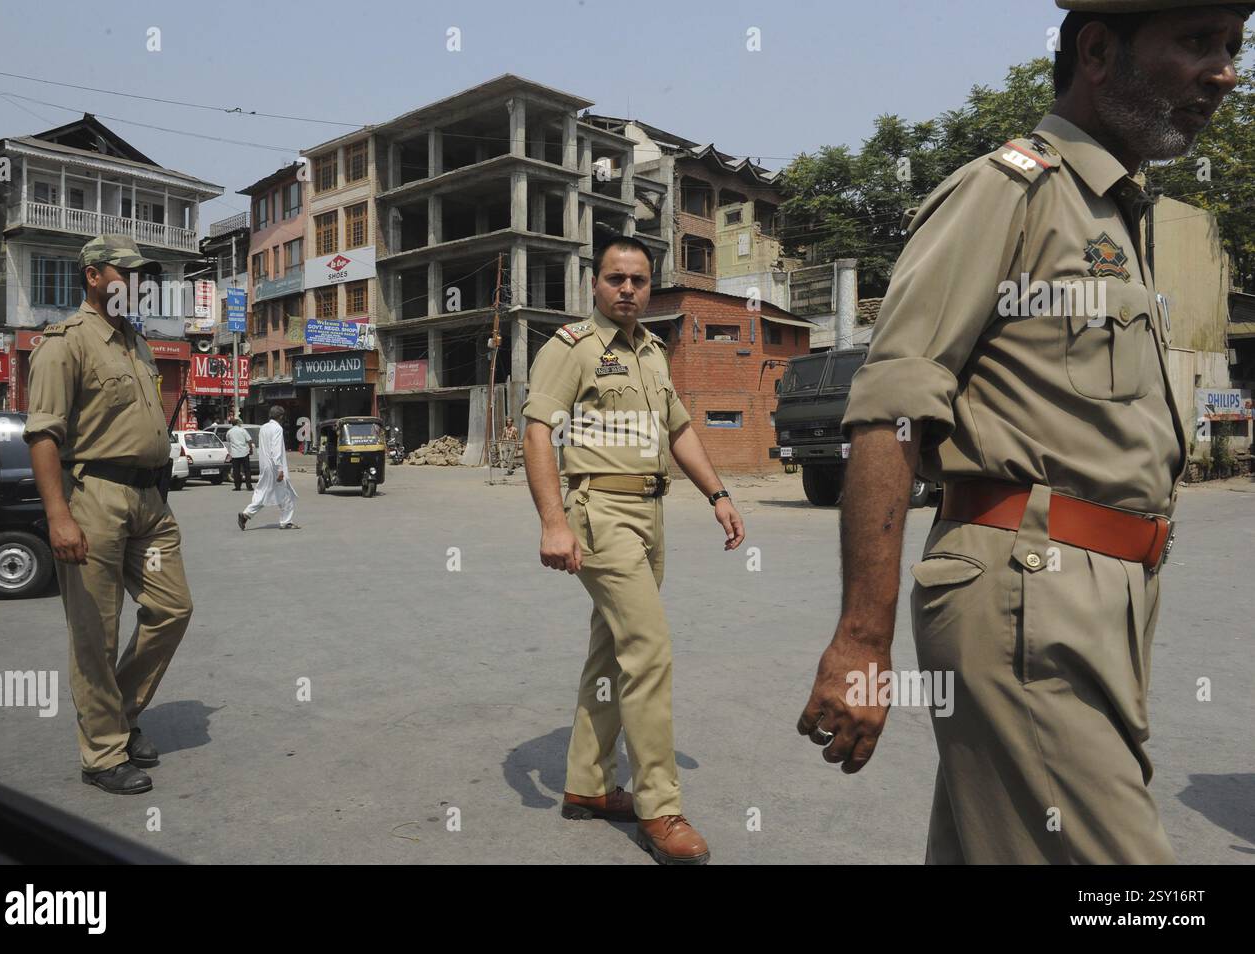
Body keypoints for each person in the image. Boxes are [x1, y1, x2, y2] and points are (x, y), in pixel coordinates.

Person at [795, 0, 1250, 863]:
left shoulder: (1116, 213)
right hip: (1029, 594)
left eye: (1232, 46)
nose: (1224, 71)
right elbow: (891, 404)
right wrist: (861, 640)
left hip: (1104, 598)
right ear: (1097, 51)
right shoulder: (1008, 191)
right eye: (1196, 41)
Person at [522, 235, 746, 865]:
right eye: (615, 278)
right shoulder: (570, 349)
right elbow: (539, 430)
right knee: (648, 652)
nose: (627, 289)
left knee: (611, 654)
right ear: (595, 284)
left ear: (650, 288)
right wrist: (553, 522)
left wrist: (718, 494)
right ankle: (661, 807)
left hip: (650, 512)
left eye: (638, 281)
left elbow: (679, 430)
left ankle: (587, 786)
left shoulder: (652, 353)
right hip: (599, 514)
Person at [24, 234, 194, 795]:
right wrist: (59, 517)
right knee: (95, 632)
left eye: (144, 277)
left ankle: (118, 714)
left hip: (149, 501)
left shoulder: (137, 342)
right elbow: (43, 435)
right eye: (128, 274)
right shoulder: (64, 343)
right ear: (95, 275)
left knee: (172, 609)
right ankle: (102, 755)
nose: (139, 285)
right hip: (93, 496)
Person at [239, 405, 299, 530]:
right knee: (286, 493)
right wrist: (280, 469)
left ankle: (246, 514)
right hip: (274, 466)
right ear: (281, 417)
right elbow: (276, 450)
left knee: (264, 492)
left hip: (265, 466)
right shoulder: (277, 428)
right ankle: (286, 521)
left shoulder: (264, 428)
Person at [225, 418, 255, 491]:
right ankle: (249, 486)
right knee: (247, 470)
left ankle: (237, 487)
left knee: (236, 471)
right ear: (238, 423)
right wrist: (251, 449)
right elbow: (249, 440)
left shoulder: (229, 432)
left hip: (235, 454)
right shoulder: (243, 430)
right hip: (244, 452)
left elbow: (228, 440)